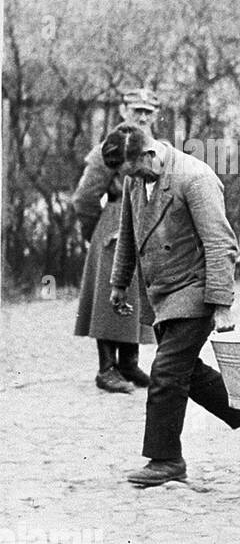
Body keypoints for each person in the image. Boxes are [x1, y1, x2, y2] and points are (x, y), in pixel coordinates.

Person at [106, 123, 240, 487]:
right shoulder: (134, 180)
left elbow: (221, 243)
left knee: (167, 371)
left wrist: (221, 303)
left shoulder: (195, 178)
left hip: (195, 288)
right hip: (163, 291)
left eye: (135, 170)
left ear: (149, 155)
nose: (133, 178)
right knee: (187, 372)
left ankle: (166, 459)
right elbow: (130, 235)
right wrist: (119, 283)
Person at [72, 88, 159, 393]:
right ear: (123, 111)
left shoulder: (158, 149)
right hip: (113, 223)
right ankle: (106, 368)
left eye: (149, 111)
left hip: (144, 224)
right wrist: (95, 233)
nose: (143, 116)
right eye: (137, 110)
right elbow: (84, 199)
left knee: (137, 294)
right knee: (110, 295)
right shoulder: (105, 152)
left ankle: (129, 363)